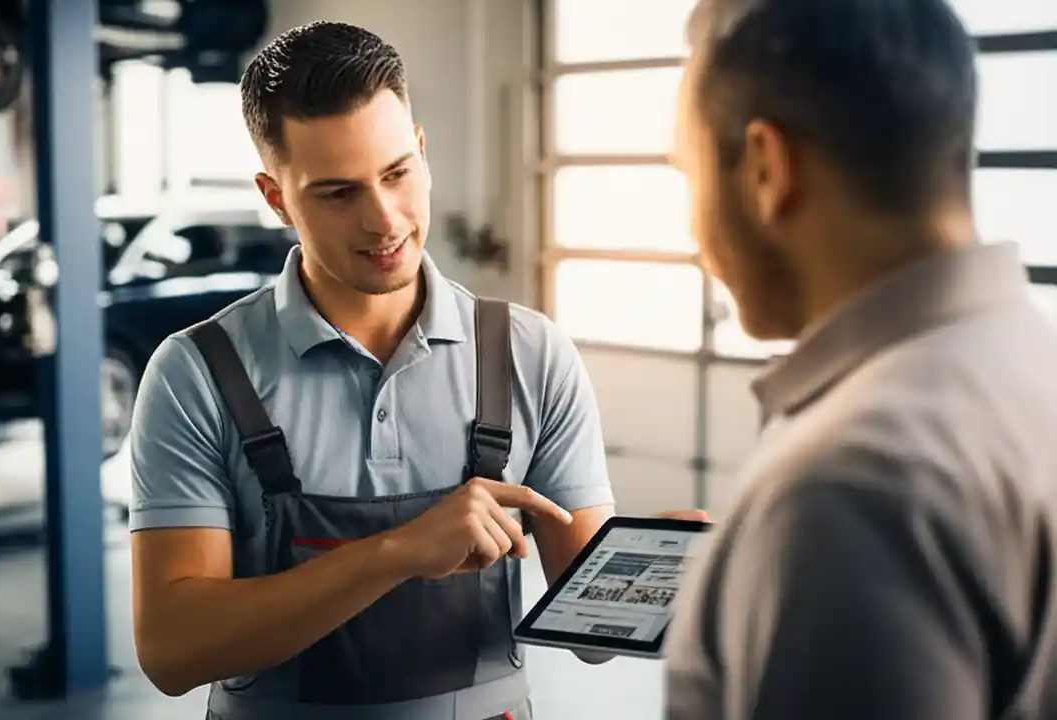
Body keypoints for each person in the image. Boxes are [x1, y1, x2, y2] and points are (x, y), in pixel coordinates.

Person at [129, 21, 697, 720]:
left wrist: (667, 573)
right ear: (276, 198)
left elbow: (592, 634)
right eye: (338, 193)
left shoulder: (530, 355)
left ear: (421, 151)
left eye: (397, 174)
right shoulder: (197, 374)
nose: (384, 219)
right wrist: (396, 553)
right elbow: (173, 650)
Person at [665, 1, 1057, 718]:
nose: (694, 230)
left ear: (767, 167)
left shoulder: (850, 483)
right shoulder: (1031, 362)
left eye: (688, 179)